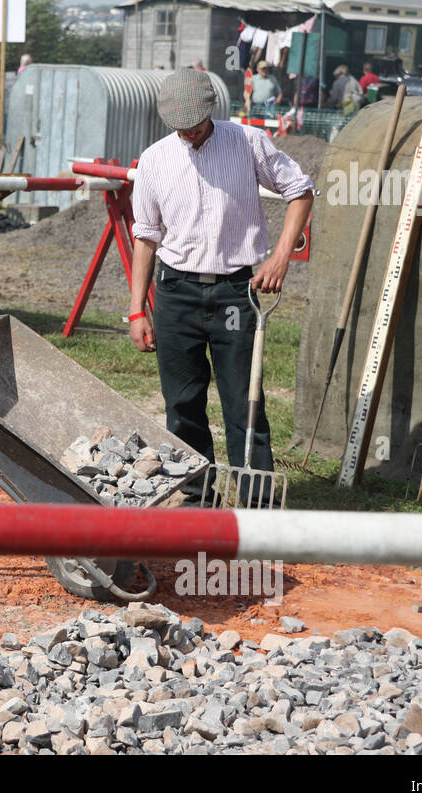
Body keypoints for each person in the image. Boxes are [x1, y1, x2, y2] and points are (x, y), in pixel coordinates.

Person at [127, 70, 313, 505]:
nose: (189, 131)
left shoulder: (248, 143)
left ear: (211, 110)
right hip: (176, 292)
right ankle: (197, 499)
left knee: (243, 404)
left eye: (195, 122)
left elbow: (300, 190)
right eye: (180, 125)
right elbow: (146, 236)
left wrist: (281, 256)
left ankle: (257, 505)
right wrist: (138, 308)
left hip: (236, 291)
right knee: (183, 404)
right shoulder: (154, 160)